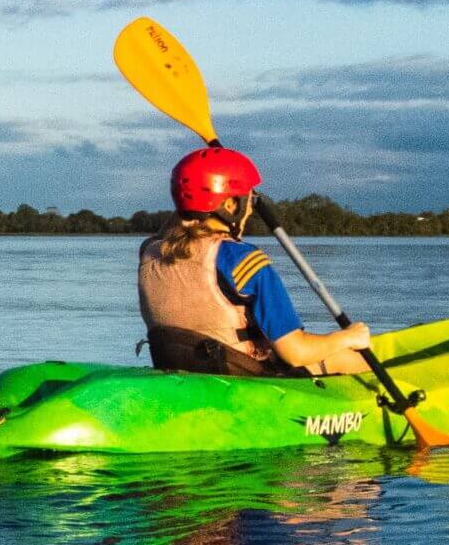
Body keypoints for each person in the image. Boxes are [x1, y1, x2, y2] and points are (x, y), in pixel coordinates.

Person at [138, 146, 372, 376]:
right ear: (230, 205)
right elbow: (295, 352)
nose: (250, 210)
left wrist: (192, 200)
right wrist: (348, 336)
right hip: (243, 377)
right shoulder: (244, 260)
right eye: (248, 201)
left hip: (182, 370)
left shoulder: (151, 252)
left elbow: (175, 228)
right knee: (346, 357)